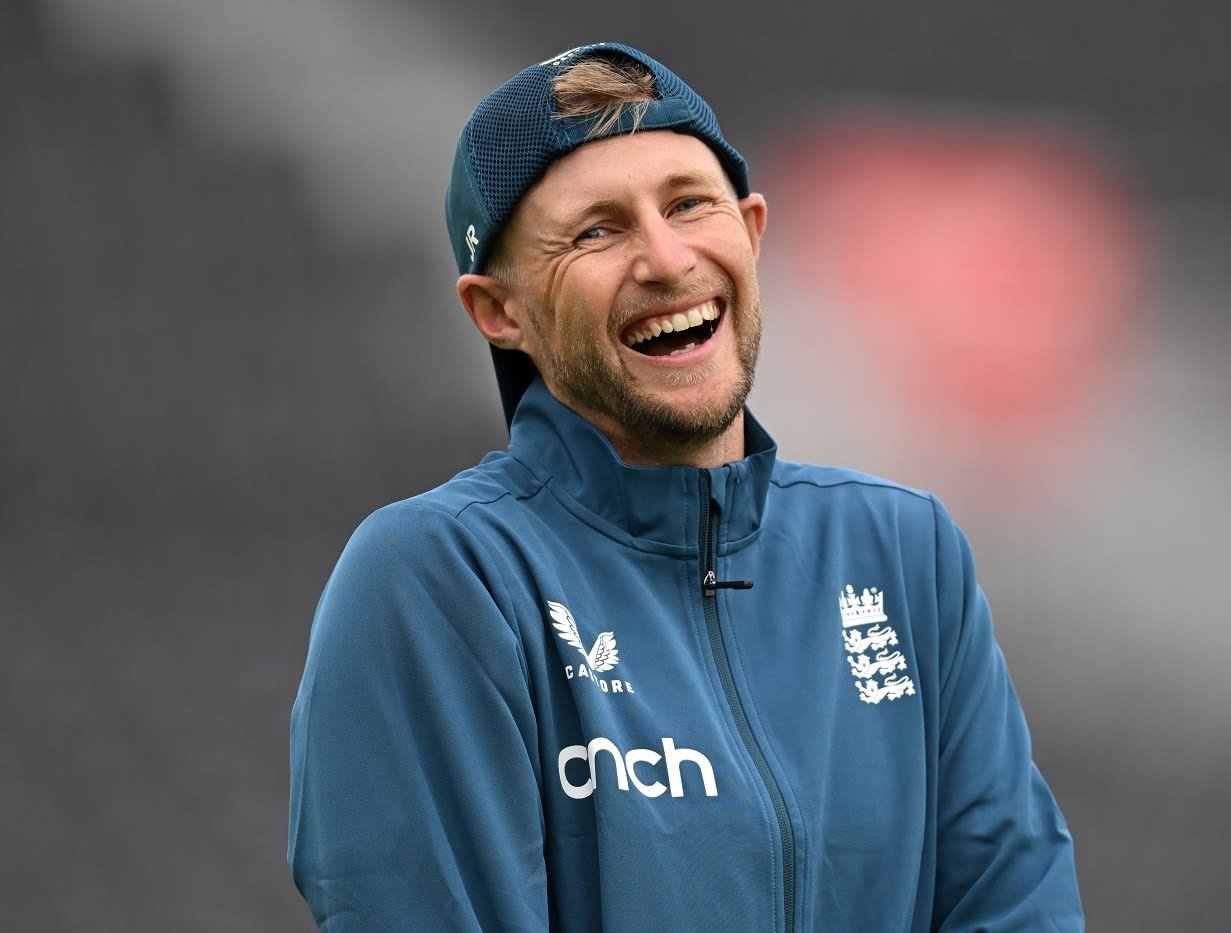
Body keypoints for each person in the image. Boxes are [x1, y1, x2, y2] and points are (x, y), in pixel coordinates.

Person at [288, 42, 1083, 932]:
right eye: (596, 230)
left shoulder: (905, 553)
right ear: (497, 311)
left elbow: (1017, 909)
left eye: (688, 204)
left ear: (751, 229)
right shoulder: (443, 577)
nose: (667, 260)